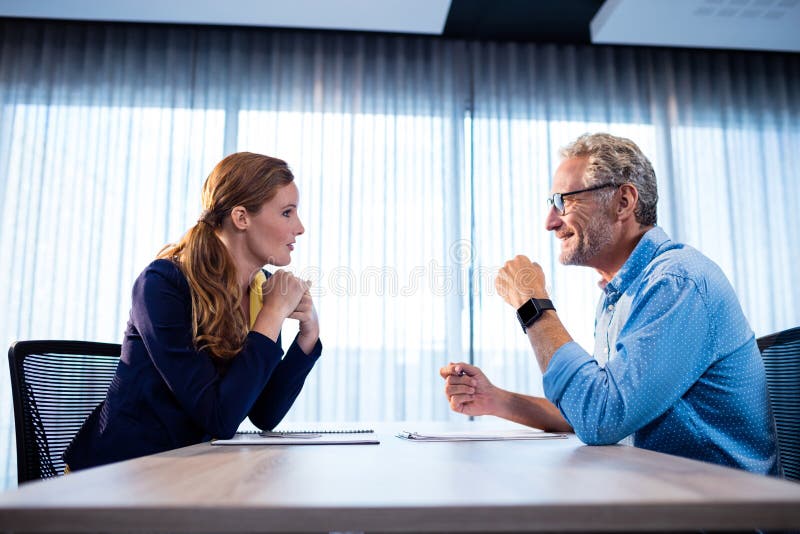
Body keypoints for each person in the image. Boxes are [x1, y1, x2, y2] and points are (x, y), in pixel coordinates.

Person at [440, 133, 780, 476]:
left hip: (718, 513)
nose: (550, 221)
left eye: (563, 201)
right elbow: (593, 403)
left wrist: (533, 305)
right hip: (664, 497)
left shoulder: (676, 283)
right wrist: (496, 399)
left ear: (623, 201)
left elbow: (600, 417)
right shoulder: (621, 294)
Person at [64, 152, 321, 470]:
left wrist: (308, 336)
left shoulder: (260, 289)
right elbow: (219, 418)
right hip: (117, 476)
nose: (300, 227)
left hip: (188, 470)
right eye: (287, 213)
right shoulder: (162, 284)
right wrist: (272, 314)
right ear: (241, 218)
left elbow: (264, 413)